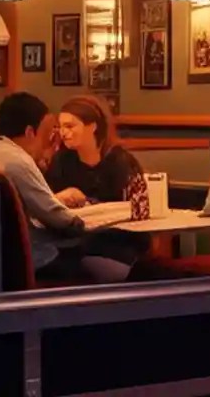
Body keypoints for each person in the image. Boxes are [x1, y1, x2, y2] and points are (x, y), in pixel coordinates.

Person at [47, 95, 150, 282]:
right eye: (60, 126)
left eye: (70, 126)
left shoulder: (120, 162)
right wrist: (60, 197)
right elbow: (47, 205)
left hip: (117, 244)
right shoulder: (62, 161)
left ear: (93, 126)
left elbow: (136, 212)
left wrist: (88, 203)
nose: (63, 132)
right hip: (72, 242)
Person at [0, 92, 87, 278]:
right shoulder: (16, 159)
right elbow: (57, 217)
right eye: (47, 136)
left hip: (0, 259)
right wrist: (80, 222)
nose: (49, 146)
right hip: (32, 261)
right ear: (30, 133)